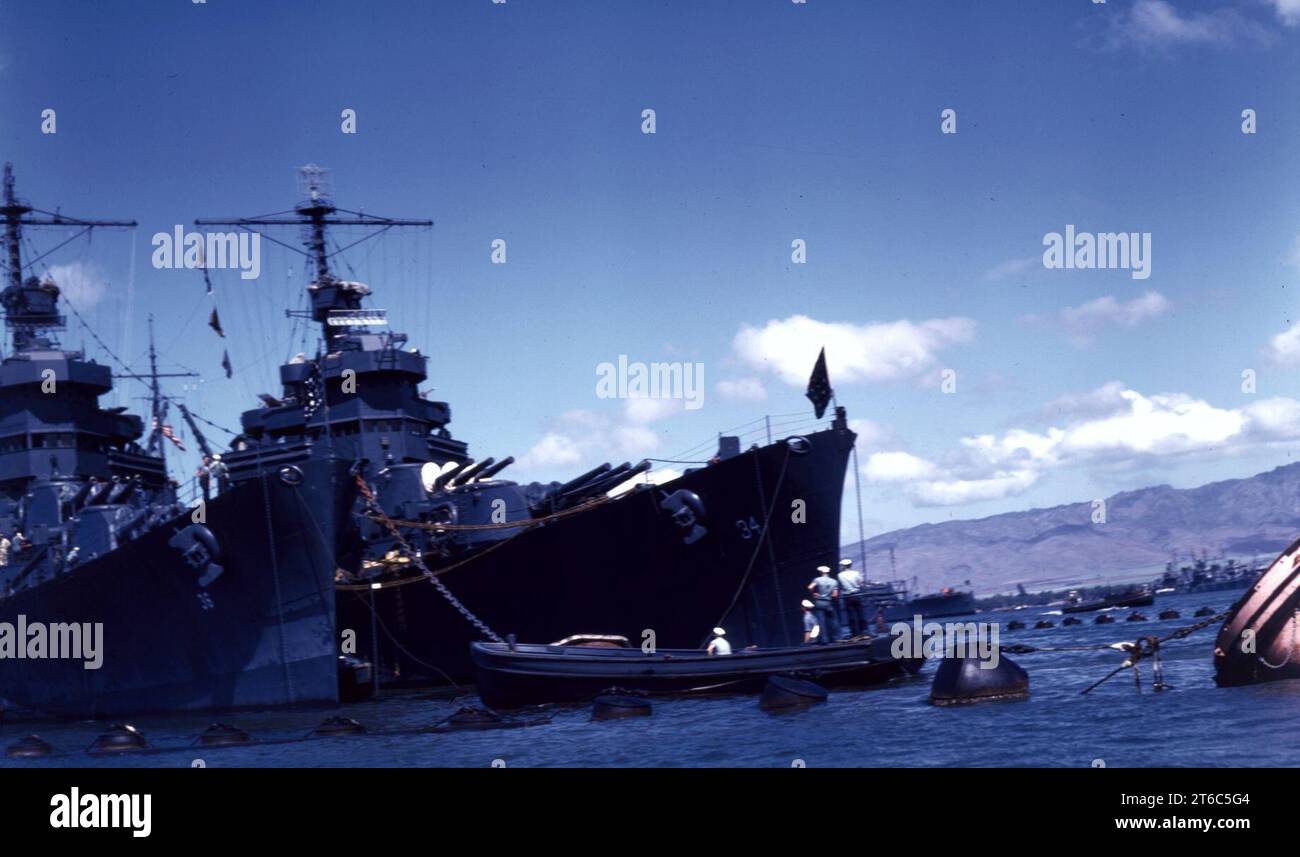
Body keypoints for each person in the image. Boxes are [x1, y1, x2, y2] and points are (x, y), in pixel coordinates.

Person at [806, 565, 839, 644]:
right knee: (833, 621)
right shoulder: (834, 581)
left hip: (819, 602)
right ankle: (836, 638)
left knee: (821, 622)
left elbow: (810, 587)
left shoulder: (817, 580)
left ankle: (824, 640)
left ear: (820, 572)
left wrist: (814, 593)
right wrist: (828, 596)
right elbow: (835, 595)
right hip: (828, 603)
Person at [837, 558, 868, 638]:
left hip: (847, 597)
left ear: (843, 566)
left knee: (851, 616)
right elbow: (861, 584)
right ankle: (863, 632)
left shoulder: (840, 575)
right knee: (860, 614)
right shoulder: (856, 573)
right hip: (857, 595)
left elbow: (839, 587)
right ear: (850, 565)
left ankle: (854, 634)